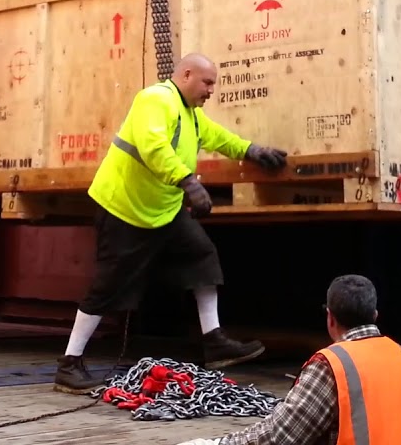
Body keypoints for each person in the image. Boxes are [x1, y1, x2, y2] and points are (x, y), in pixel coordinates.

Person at [54, 53, 290, 394]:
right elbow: (153, 146)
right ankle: (69, 364)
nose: (211, 91)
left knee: (201, 256)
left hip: (162, 209)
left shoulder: (191, 114)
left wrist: (250, 150)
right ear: (187, 74)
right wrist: (188, 182)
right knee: (108, 285)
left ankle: (214, 342)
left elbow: (217, 137)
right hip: (124, 207)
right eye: (207, 83)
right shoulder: (155, 100)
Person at [177, 274, 401, 445]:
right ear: (374, 315)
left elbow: (280, 437)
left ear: (330, 319)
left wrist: (212, 444)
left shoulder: (334, 364)